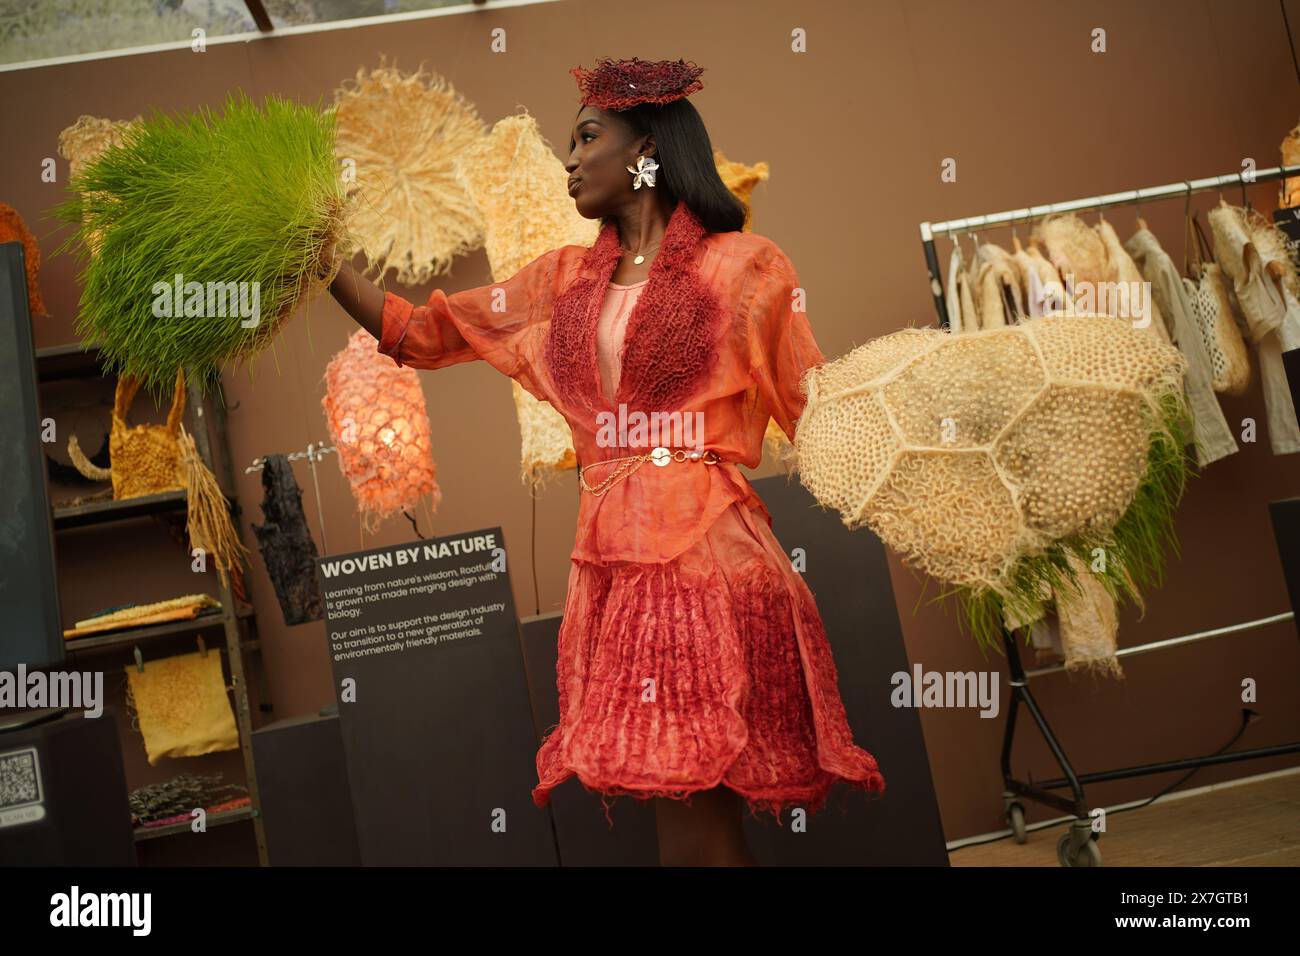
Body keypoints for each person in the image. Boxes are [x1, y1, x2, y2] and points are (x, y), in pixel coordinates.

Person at [327, 56, 884, 867]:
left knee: (697, 834)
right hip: (618, 573)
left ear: (648, 152)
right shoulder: (559, 284)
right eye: (570, 142)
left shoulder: (745, 267)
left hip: (708, 566)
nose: (570, 159)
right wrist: (321, 263)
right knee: (689, 831)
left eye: (588, 137)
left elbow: (820, 412)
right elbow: (421, 332)